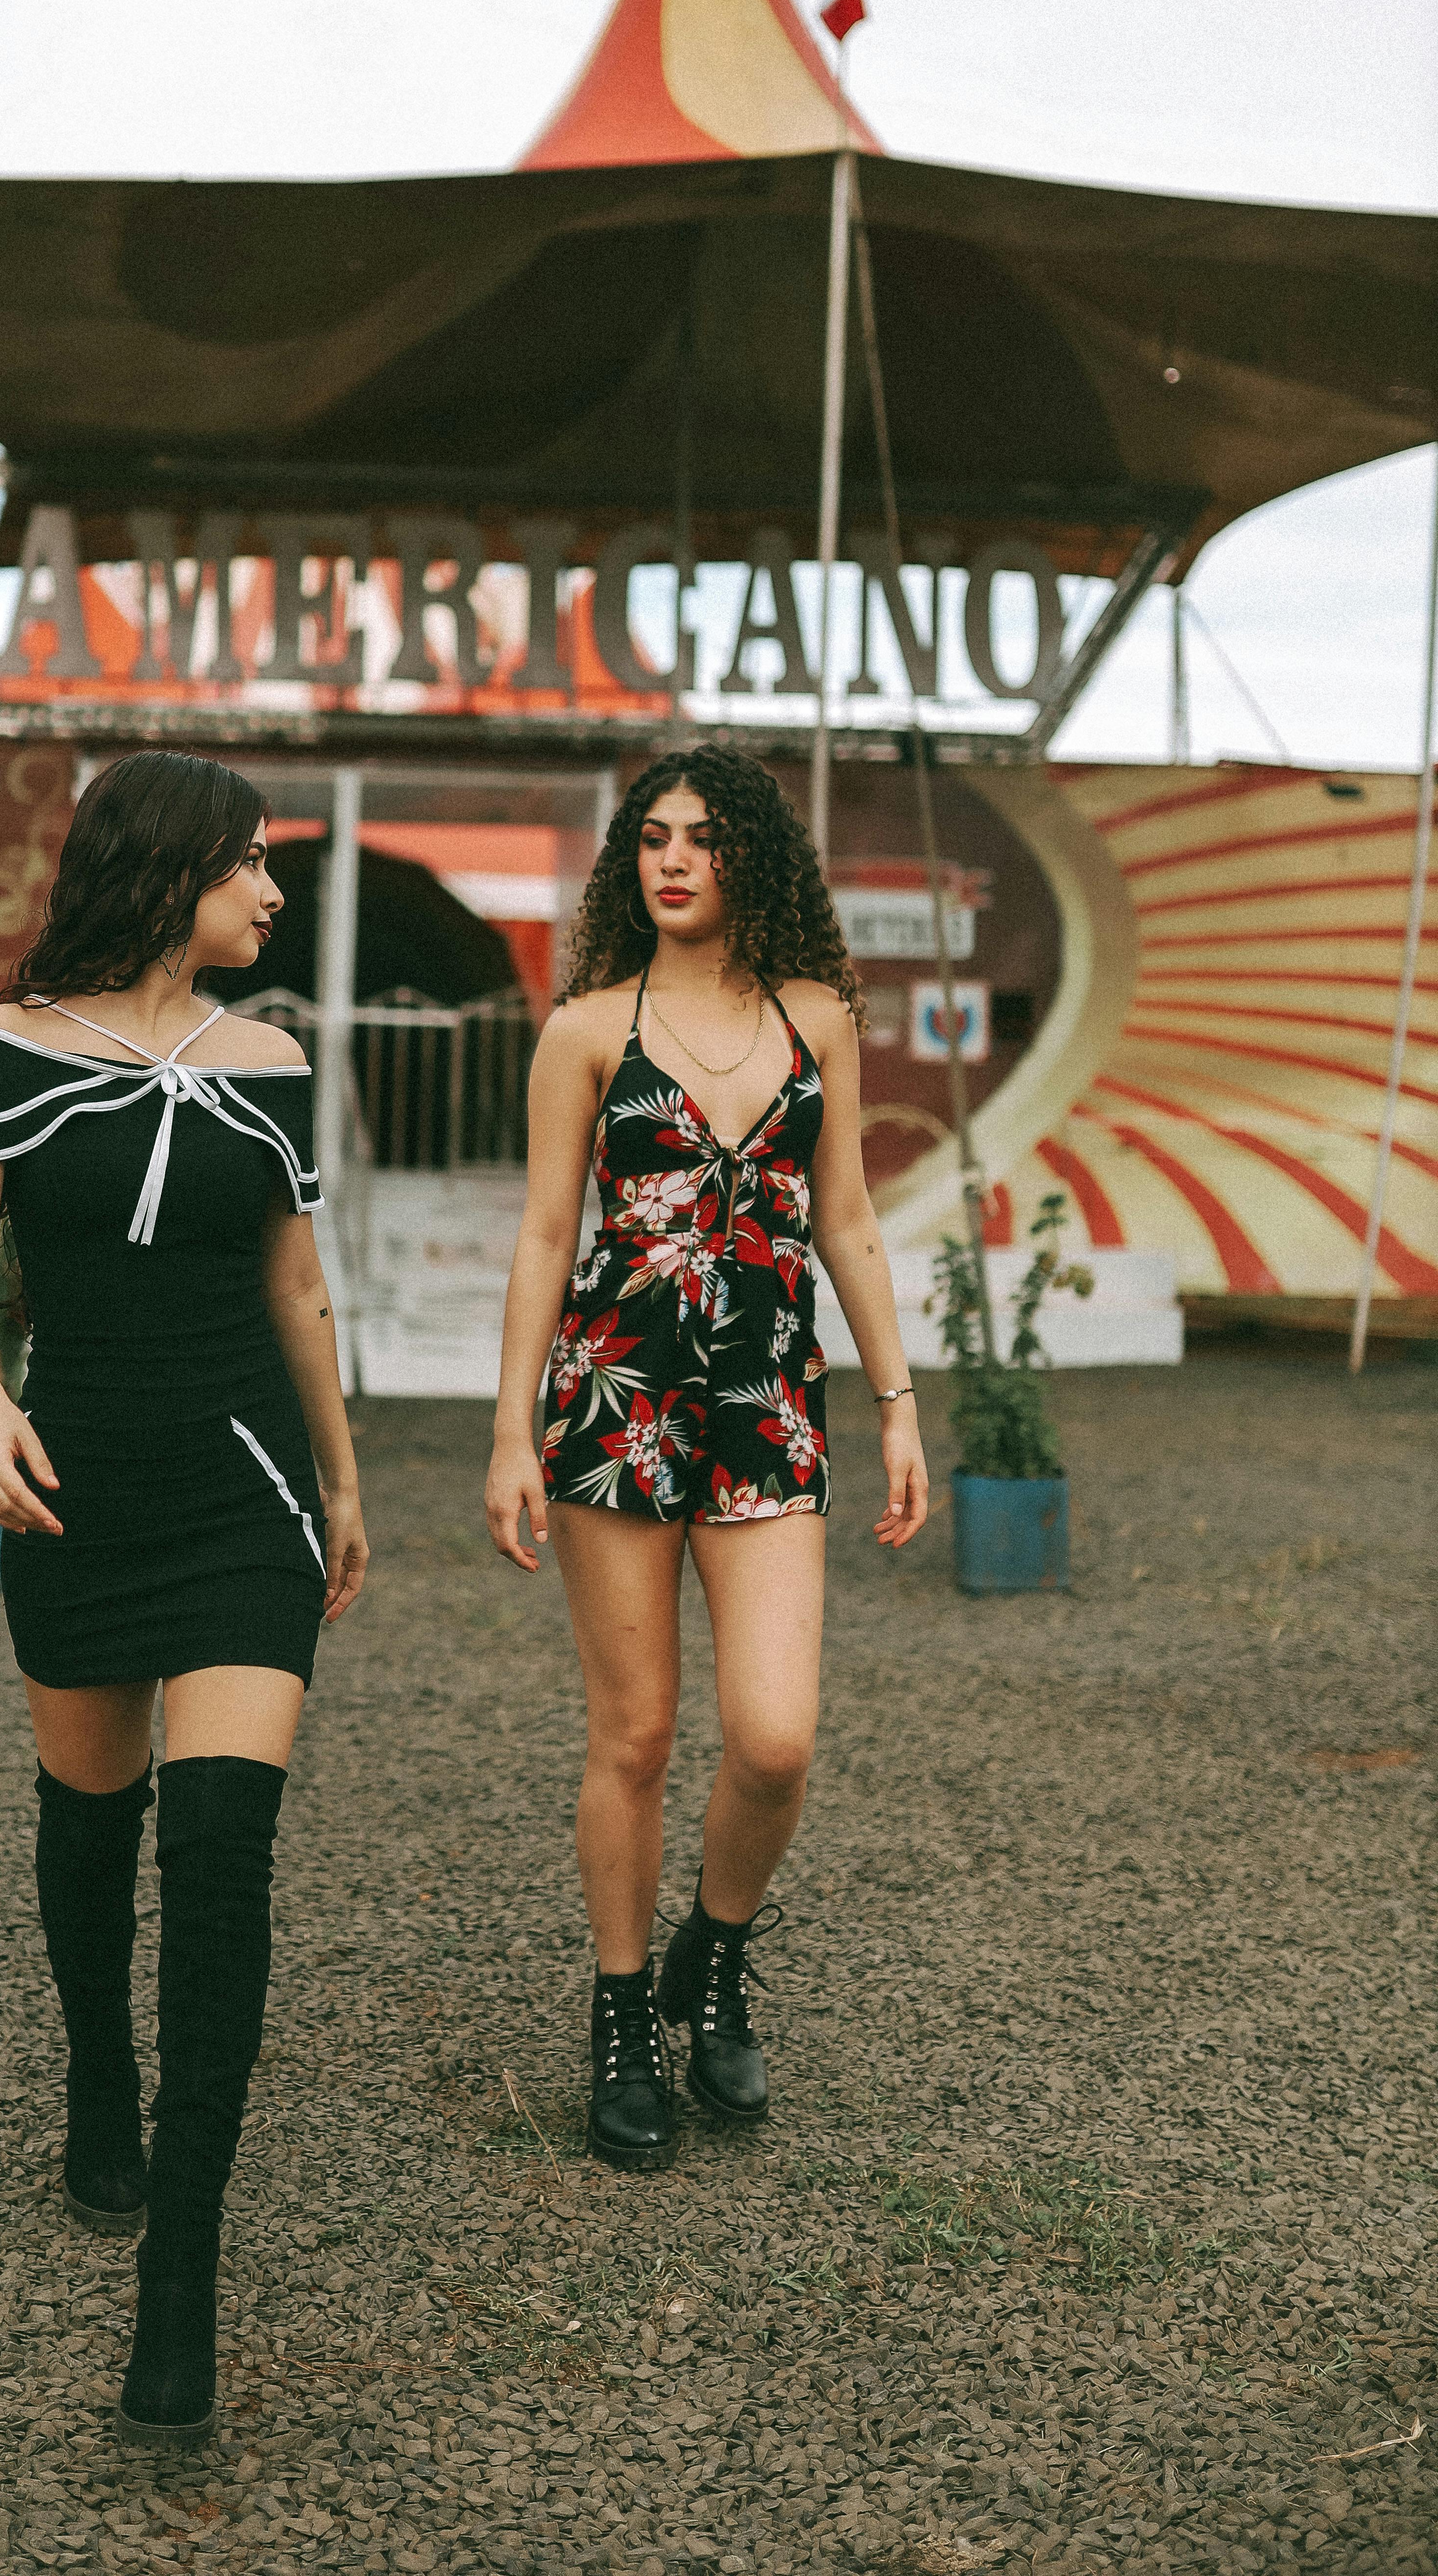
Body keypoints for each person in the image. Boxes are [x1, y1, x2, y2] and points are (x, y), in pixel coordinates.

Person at [0, 750, 369, 2448]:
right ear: (172, 871)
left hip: (244, 1491)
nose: (275, 893)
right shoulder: (7, 1046)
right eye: (253, 863)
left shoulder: (274, 1059)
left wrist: (343, 1478)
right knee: (90, 1820)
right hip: (76, 1479)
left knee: (224, 1853)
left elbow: (297, 1284)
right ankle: (98, 2061)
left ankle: (184, 2274)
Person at [484, 742, 928, 2171]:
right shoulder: (587, 1030)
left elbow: (846, 1217)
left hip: (766, 1404)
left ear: (754, 858)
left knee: (777, 1739)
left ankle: (714, 1951)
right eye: (652, 839)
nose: (673, 859)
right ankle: (624, 2018)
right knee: (637, 1733)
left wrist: (898, 1402)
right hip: (616, 1403)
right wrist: (510, 1429)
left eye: (703, 837)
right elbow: (548, 1235)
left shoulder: (821, 1019)